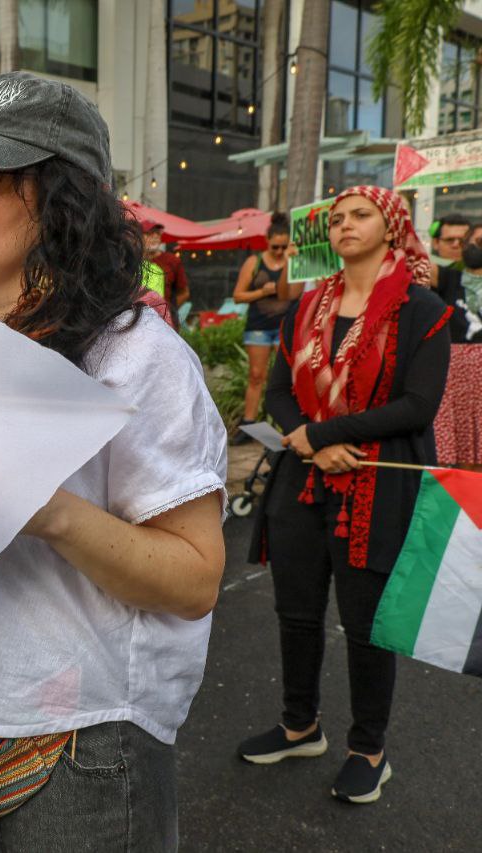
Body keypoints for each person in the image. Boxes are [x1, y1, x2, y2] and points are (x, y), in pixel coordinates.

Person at [0, 71, 227, 848]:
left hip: (77, 748)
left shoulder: (137, 356)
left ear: (63, 200)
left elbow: (196, 578)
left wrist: (53, 512)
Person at [240, 186, 451, 804]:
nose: (344, 225)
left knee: (366, 625)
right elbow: (279, 391)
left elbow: (418, 406)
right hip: (304, 479)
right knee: (297, 612)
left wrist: (323, 435)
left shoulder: (421, 308)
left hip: (376, 483)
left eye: (361, 215)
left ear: (392, 227)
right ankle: (300, 726)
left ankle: (369, 750)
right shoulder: (308, 306)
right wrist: (311, 445)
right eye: (336, 219)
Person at [231, 213, 300, 440]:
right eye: (275, 247)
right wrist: (262, 292)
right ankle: (249, 424)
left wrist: (289, 263)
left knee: (284, 380)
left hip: (285, 326)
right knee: (256, 375)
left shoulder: (294, 262)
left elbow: (293, 294)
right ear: (267, 241)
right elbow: (238, 296)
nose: (279, 251)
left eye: (283, 247)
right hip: (259, 326)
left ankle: (285, 426)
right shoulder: (254, 262)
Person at [433, 221, 482, 471]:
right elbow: (414, 259)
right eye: (472, 242)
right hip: (454, 378)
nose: (476, 247)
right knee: (453, 455)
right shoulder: (448, 278)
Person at [141, 220, 190, 326]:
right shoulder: (133, 262)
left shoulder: (172, 261)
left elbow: (184, 293)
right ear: (139, 237)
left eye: (158, 233)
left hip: (165, 323)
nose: (155, 236)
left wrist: (167, 311)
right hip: (139, 322)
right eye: (149, 233)